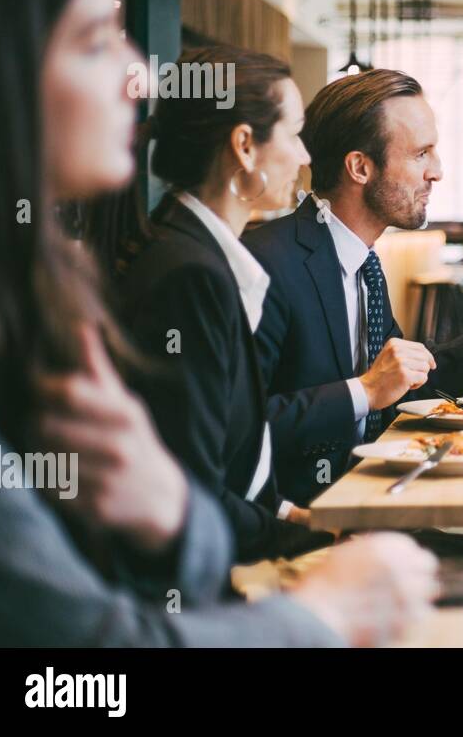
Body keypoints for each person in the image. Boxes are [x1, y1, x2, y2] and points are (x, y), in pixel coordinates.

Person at [0, 0, 436, 646]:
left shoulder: (35, 295)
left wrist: (175, 512)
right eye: (95, 40)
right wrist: (322, 614)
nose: (138, 75)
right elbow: (78, 673)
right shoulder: (188, 271)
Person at [243, 69, 463, 504]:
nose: (438, 172)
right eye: (421, 154)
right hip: (300, 518)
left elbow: (405, 381)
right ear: (360, 167)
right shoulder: (265, 264)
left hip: (375, 493)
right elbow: (237, 430)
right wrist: (364, 391)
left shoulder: (363, 260)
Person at [105, 45, 330, 564]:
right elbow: (193, 495)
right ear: (245, 146)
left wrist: (297, 518)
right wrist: (311, 538)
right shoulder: (190, 276)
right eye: (295, 134)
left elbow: (229, 472)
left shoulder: (190, 250)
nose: (305, 157)